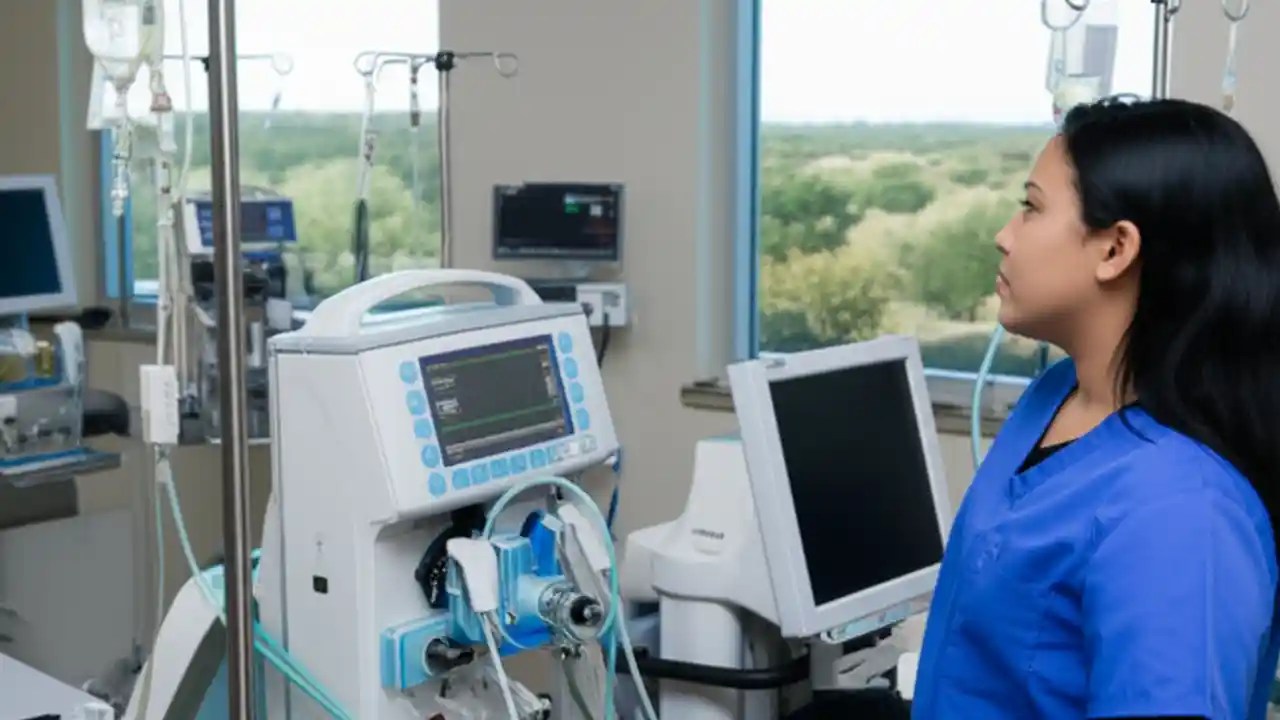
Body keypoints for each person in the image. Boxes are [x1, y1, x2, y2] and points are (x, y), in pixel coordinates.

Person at [911, 97, 1280, 720]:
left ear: (1115, 249)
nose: (1004, 235)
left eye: (1031, 208)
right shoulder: (1052, 397)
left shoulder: (1181, 514)